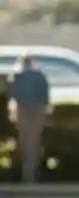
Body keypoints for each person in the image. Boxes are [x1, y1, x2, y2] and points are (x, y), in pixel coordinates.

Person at [8, 54, 50, 184]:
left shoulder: (17, 76)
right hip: (37, 111)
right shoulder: (40, 76)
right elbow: (45, 96)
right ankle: (32, 173)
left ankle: (27, 174)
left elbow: (12, 94)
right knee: (34, 142)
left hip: (23, 110)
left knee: (25, 142)